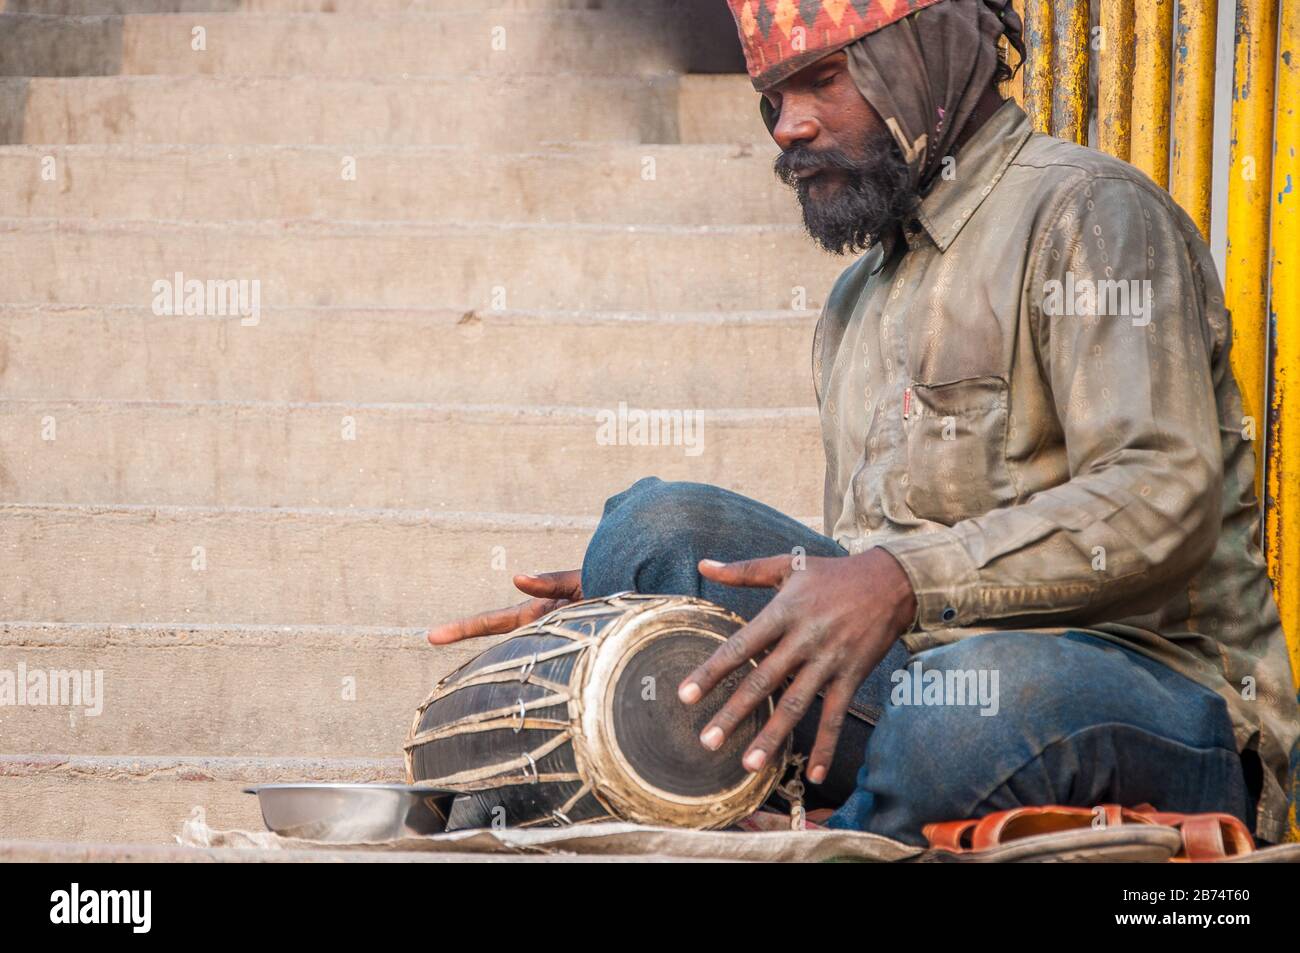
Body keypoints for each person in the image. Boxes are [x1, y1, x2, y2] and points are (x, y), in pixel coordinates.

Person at [428, 0, 1299, 846]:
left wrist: (902, 577)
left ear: (923, 56)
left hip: (1149, 695)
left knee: (965, 703)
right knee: (652, 532)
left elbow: (1160, 495)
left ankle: (841, 833)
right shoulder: (857, 297)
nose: (786, 127)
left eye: (822, 81)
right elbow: (858, 574)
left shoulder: (1090, 214)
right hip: (918, 682)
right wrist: (652, 602)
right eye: (774, 97)